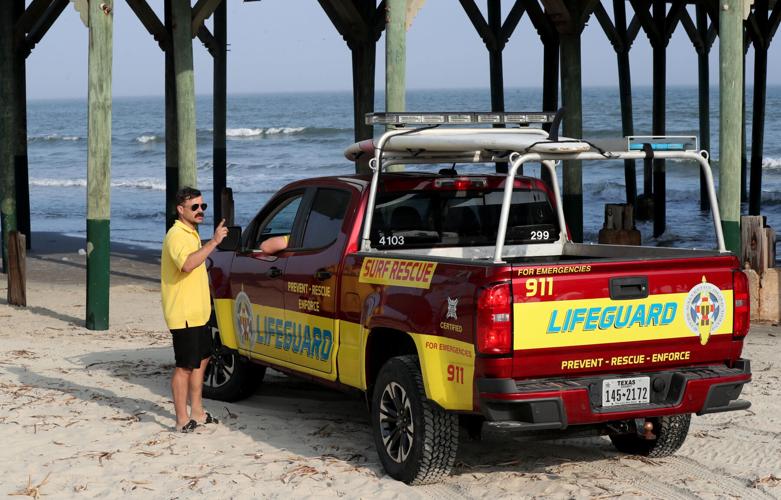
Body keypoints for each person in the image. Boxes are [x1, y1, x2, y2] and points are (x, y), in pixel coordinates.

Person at [161, 187, 228, 433]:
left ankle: (197, 412)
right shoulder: (176, 235)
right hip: (184, 313)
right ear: (181, 210)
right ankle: (181, 419)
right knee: (185, 365)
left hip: (199, 311)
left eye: (203, 207)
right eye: (195, 207)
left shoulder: (191, 232)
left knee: (202, 359)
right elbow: (187, 264)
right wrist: (214, 242)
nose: (200, 211)